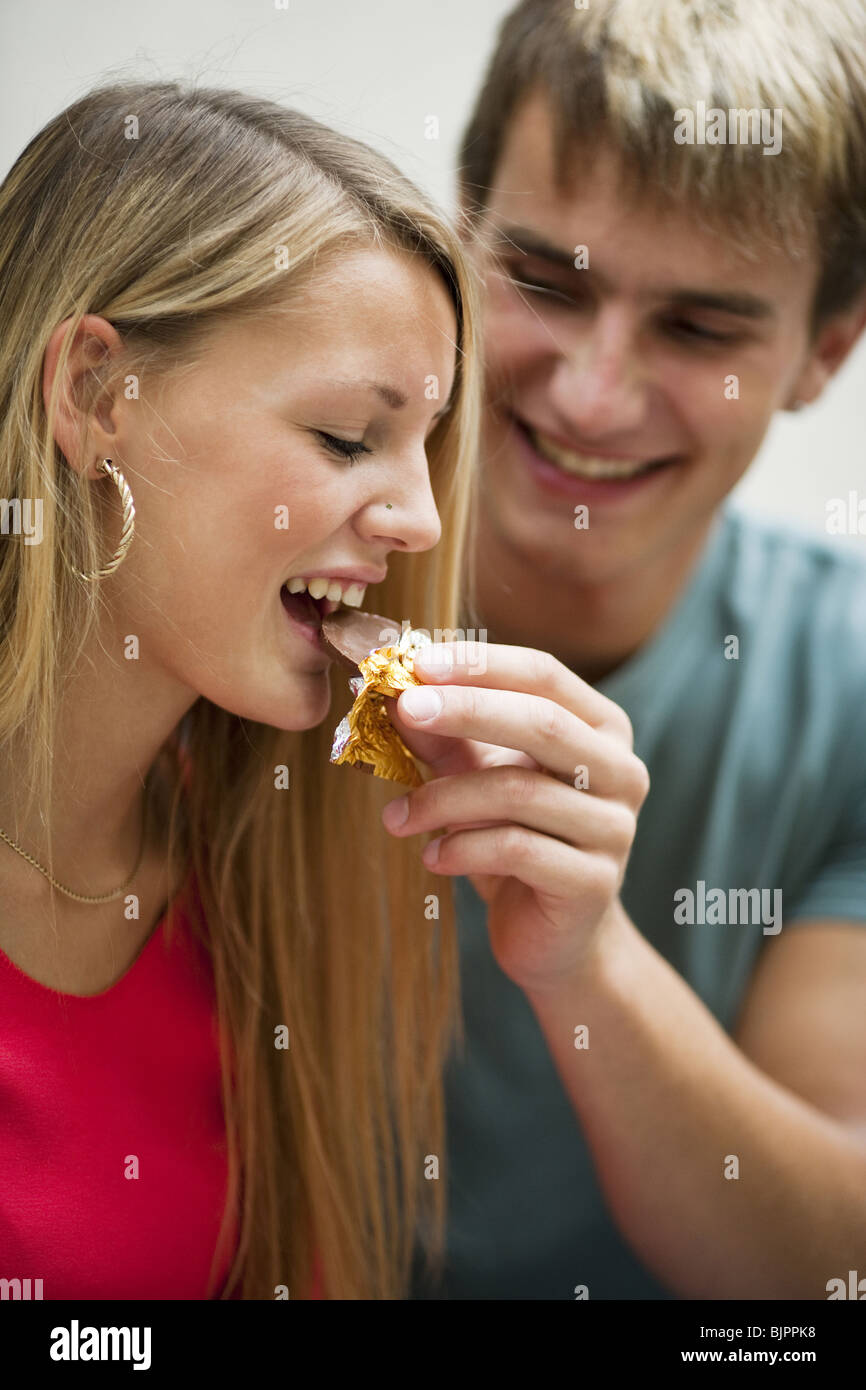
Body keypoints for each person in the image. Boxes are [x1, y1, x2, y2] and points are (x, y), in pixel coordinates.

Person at [398, 0, 866, 1299]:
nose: (592, 395)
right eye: (544, 284)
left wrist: (585, 957)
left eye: (699, 330)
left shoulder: (844, 677)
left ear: (823, 349)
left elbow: (824, 1267)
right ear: (460, 228)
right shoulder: (251, 579)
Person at [0, 77, 489, 1300]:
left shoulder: (258, 878)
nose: (422, 520)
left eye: (426, 447)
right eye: (343, 437)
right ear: (95, 396)